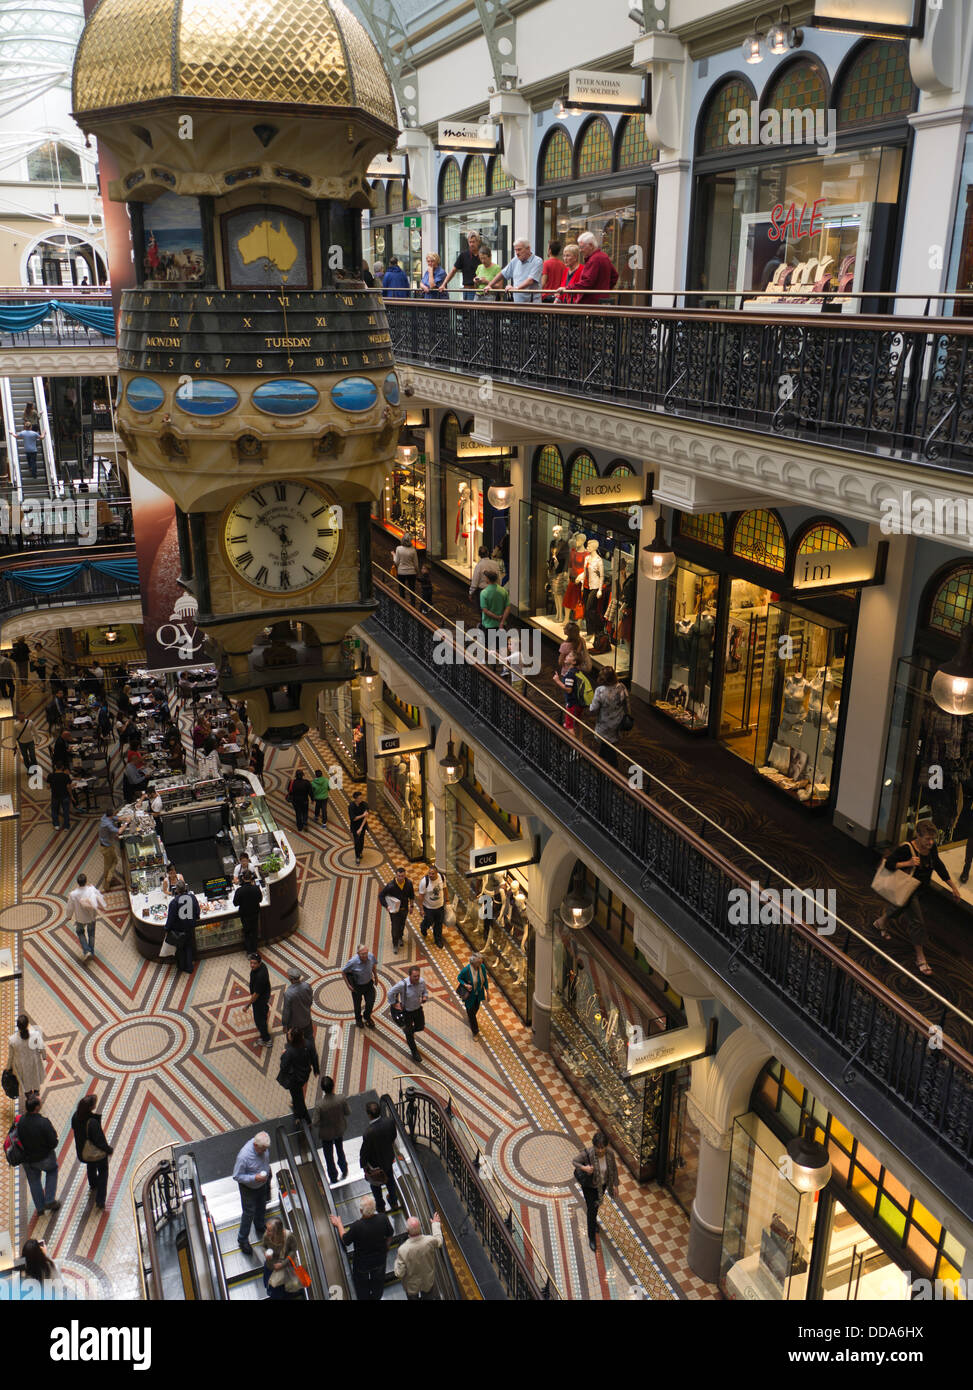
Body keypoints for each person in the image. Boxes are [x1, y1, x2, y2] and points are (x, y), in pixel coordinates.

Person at [873, 819, 961, 975]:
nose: (931, 842)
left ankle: (881, 922)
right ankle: (920, 957)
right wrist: (907, 863)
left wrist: (953, 887)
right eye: (927, 839)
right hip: (908, 888)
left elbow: (939, 866)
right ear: (918, 837)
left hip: (920, 889)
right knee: (917, 922)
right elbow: (889, 864)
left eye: (933, 839)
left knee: (899, 906)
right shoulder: (907, 848)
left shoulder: (931, 848)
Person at [330, 1195, 392, 1301]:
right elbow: (390, 1234)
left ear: (360, 1210)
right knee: (378, 1283)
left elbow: (345, 1240)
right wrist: (386, 1247)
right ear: (375, 1208)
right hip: (380, 1260)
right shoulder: (383, 1218)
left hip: (362, 1264)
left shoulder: (357, 1226)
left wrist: (339, 1224)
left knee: (361, 1287)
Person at [573, 1130, 619, 1252]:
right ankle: (591, 1236)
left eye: (602, 1147)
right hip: (589, 1185)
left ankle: (593, 1222)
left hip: (602, 1185)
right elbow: (574, 1161)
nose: (600, 1150)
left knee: (597, 1204)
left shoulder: (610, 1154)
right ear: (594, 1146)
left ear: (606, 1146)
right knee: (592, 1210)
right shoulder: (588, 1153)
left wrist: (615, 1184)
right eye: (597, 1147)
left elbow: (613, 1169)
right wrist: (585, 1168)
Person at [18, 1095, 61, 1217]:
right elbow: (53, 1142)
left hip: (27, 1159)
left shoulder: (20, 1121)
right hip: (44, 1158)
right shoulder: (43, 1122)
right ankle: (49, 1200)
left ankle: (40, 1208)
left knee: (34, 1181)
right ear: (37, 1107)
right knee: (52, 1171)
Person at [71, 1092, 113, 1211]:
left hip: (84, 1152)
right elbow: (100, 1141)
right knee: (103, 1172)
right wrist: (108, 1150)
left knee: (91, 1166)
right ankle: (100, 1200)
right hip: (97, 1154)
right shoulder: (92, 1123)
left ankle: (93, 1184)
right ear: (91, 1107)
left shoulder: (75, 1116)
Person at [232, 1131, 272, 1256]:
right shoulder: (244, 1157)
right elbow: (237, 1176)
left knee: (261, 1206)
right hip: (249, 1188)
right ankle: (242, 1239)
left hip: (262, 1184)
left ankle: (259, 1225)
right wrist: (254, 1178)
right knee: (249, 1213)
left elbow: (265, 1161)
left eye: (266, 1149)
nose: (265, 1152)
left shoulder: (263, 1147)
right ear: (255, 1145)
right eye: (262, 1149)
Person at [359, 1099, 399, 1212]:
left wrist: (363, 1165)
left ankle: (381, 1207)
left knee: (376, 1186)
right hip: (388, 1160)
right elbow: (393, 1136)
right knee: (390, 1181)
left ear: (369, 1115)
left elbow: (365, 1152)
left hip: (375, 1166)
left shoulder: (368, 1133)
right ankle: (394, 1201)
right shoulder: (389, 1122)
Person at [589, 667, 631, 771]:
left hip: (604, 723)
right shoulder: (621, 687)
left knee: (606, 744)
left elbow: (593, 709)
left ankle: (611, 767)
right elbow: (627, 704)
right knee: (608, 744)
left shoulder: (600, 691)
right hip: (617, 721)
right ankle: (601, 761)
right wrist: (628, 716)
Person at [310, 1076, 350, 1183]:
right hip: (339, 1130)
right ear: (333, 1085)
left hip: (326, 1134)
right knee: (340, 1150)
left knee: (328, 1156)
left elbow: (315, 1122)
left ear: (322, 1089)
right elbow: (348, 1112)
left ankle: (333, 1176)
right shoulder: (341, 1099)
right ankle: (344, 1169)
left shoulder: (320, 1105)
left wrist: (325, 1122)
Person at [394, 1214, 444, 1300]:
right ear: (420, 1228)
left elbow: (399, 1273)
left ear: (407, 1230)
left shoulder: (403, 1250)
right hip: (427, 1282)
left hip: (411, 1286)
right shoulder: (429, 1241)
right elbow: (439, 1241)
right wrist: (435, 1224)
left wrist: (396, 1262)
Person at [388, 965, 429, 1063]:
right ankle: (414, 1051)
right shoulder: (403, 985)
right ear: (409, 976)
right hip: (407, 1012)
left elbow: (425, 992)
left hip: (418, 1009)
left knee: (420, 1027)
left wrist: (424, 997)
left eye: (418, 976)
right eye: (414, 976)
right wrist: (394, 1003)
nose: (417, 978)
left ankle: (408, 1031)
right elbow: (390, 993)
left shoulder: (421, 982)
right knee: (409, 1033)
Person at [277, 1027, 318, 1122]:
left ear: (292, 1038)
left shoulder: (289, 1052)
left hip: (294, 1079)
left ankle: (304, 1119)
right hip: (304, 1074)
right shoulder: (307, 1044)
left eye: (289, 1033)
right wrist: (316, 1069)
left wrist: (283, 1055)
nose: (288, 1033)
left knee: (298, 1098)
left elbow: (283, 1067)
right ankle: (297, 1110)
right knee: (297, 1096)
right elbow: (314, 1056)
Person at [486, 238, 544, 303]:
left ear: (528, 249)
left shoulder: (537, 261)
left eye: (519, 249)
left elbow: (530, 280)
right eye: (515, 250)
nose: (517, 253)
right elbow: (502, 273)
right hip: (517, 302)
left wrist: (516, 288)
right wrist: (489, 285)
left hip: (532, 304)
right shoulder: (515, 260)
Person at [67, 872, 107, 964]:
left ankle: (86, 950)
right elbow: (99, 897)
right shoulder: (91, 890)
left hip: (80, 919)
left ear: (78, 882)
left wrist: (69, 916)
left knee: (80, 932)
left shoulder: (73, 894)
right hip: (91, 917)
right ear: (86, 881)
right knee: (91, 934)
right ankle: (91, 952)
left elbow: (70, 907)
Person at [7, 1013, 45, 1105]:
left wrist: (8, 1067)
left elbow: (10, 1056)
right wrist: (44, 1056)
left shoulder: (12, 1040)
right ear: (28, 1024)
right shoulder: (35, 1034)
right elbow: (41, 1047)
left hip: (21, 1066)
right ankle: (36, 1097)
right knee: (35, 1080)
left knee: (26, 1084)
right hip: (34, 1063)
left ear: (18, 1026)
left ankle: (29, 1099)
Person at [573, 230, 619, 305]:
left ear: (591, 246)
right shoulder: (604, 256)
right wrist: (605, 290)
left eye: (582, 247)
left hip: (591, 303)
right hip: (601, 301)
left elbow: (587, 282)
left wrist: (569, 288)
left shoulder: (594, 260)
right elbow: (614, 276)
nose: (580, 251)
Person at [262, 1217, 304, 1299]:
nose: (266, 1232)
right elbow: (263, 1246)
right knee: (271, 1286)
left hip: (285, 1270)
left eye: (269, 1230)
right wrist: (265, 1253)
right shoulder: (267, 1235)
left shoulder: (289, 1237)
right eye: (267, 1229)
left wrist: (282, 1264)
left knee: (283, 1290)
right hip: (270, 1267)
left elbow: (293, 1250)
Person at [166, 877, 200, 974]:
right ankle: (189, 968)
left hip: (178, 930)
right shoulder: (192, 897)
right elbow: (197, 911)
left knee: (180, 948)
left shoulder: (174, 902)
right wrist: (196, 917)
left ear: (176, 890)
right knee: (188, 947)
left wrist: (167, 928)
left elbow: (171, 918)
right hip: (189, 928)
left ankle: (181, 967)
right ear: (185, 888)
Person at [378, 865, 415, 951]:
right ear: (396, 875)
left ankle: (400, 938)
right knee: (395, 927)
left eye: (402, 876)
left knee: (402, 925)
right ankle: (395, 944)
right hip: (394, 911)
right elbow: (381, 895)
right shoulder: (391, 885)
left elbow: (412, 896)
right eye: (399, 876)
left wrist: (411, 906)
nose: (401, 878)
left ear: (405, 875)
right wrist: (386, 906)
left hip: (404, 909)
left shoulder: (408, 884)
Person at [281, 965, 316, 1056]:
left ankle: (294, 1056)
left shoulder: (288, 993)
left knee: (292, 1041)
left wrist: (284, 1024)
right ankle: (312, 1053)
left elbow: (286, 1011)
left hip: (294, 1024)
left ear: (290, 979)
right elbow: (310, 1000)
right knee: (309, 1037)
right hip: (306, 1019)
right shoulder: (307, 986)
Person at [342, 944, 378, 1028]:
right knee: (357, 1004)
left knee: (370, 1002)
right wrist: (348, 985)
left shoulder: (371, 956)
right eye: (363, 954)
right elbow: (343, 972)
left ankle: (367, 1016)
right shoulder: (353, 962)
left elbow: (373, 966)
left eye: (366, 953)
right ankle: (358, 1019)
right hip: (357, 986)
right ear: (358, 953)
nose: (365, 956)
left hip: (369, 984)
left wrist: (376, 977)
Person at [441, 230, 482, 300]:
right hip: (466, 289)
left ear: (478, 242)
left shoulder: (482, 256)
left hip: (478, 290)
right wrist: (444, 284)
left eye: (473, 242)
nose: (471, 244)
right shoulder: (463, 255)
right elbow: (453, 271)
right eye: (470, 242)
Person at [243, 951, 272, 1045]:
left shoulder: (260, 976)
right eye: (251, 963)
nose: (252, 965)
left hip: (259, 999)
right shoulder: (262, 966)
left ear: (259, 963)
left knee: (259, 1020)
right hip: (264, 995)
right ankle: (264, 1013)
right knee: (263, 1013)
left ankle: (267, 1039)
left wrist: (247, 1005)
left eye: (254, 963)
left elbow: (256, 995)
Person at [457, 952, 489, 1037]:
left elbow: (485, 979)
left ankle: (471, 1017)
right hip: (470, 996)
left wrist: (488, 992)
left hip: (479, 994)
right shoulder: (466, 970)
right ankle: (475, 1032)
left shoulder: (482, 967)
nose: (481, 964)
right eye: (479, 962)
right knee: (472, 1014)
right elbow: (459, 977)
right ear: (473, 962)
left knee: (476, 1008)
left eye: (481, 962)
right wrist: (465, 985)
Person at [416, 865, 447, 947]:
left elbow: (445, 888)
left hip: (440, 906)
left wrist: (447, 901)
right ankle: (423, 927)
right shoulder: (424, 882)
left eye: (432, 874)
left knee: (438, 924)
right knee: (428, 921)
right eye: (429, 873)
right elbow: (421, 896)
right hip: (428, 908)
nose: (430, 875)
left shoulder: (442, 878)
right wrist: (421, 909)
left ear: (437, 873)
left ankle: (438, 940)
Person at [233, 871, 263, 956]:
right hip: (255, 914)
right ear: (251, 878)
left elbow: (235, 903)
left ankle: (249, 951)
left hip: (244, 915)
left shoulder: (239, 891)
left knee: (247, 933)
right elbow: (260, 900)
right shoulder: (256, 888)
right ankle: (254, 950)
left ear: (242, 878)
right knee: (254, 932)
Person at [391, 533, 420, 603]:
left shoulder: (398, 549)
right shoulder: (413, 550)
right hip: (411, 572)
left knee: (401, 589)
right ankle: (413, 604)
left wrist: (394, 555)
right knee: (412, 589)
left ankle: (402, 604)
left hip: (401, 572)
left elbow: (396, 562)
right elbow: (416, 564)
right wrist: (417, 571)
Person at [479, 567, 511, 631]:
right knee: (501, 641)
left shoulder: (484, 593)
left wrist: (497, 617)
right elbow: (508, 607)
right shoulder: (503, 591)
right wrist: (502, 621)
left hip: (488, 625)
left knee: (490, 641)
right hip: (501, 625)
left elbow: (485, 610)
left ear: (488, 579)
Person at [98, 812, 123, 890]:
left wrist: (125, 818)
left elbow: (116, 818)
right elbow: (119, 831)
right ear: (110, 816)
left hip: (106, 845)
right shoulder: (108, 825)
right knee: (112, 862)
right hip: (106, 848)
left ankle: (107, 880)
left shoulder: (105, 816)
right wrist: (126, 823)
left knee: (110, 862)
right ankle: (107, 881)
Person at [49, 762, 74, 832]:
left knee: (54, 811)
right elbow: (68, 787)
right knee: (66, 811)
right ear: (62, 767)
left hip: (55, 796)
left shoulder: (51, 776)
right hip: (65, 796)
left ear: (55, 767)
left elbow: (48, 786)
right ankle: (66, 826)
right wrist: (71, 796)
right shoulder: (66, 776)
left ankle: (56, 825)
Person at [348, 791, 368, 864]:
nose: (361, 799)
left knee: (361, 840)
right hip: (354, 826)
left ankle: (360, 852)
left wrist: (361, 828)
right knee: (356, 842)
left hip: (362, 825)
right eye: (359, 798)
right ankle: (357, 856)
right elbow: (353, 818)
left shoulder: (364, 804)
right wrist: (362, 815)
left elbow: (366, 817)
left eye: (361, 797)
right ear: (355, 799)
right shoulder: (351, 806)